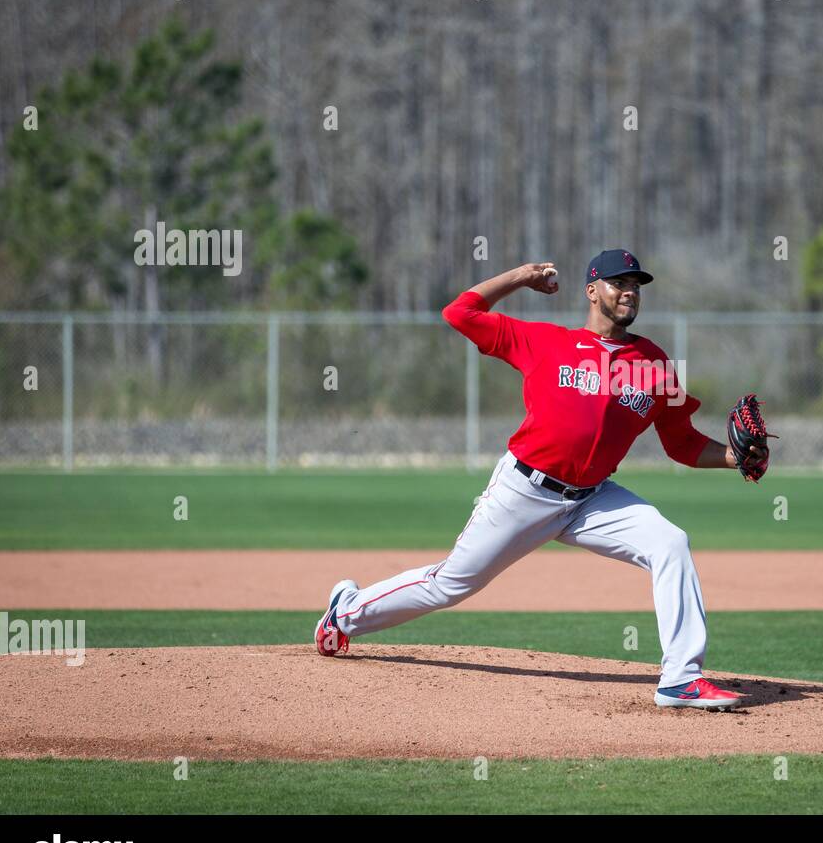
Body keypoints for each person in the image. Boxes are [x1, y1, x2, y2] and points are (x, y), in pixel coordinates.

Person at [314, 249, 770, 710]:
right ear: (592, 292)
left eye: (636, 284)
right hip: (525, 491)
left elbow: (683, 443)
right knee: (451, 583)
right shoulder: (544, 342)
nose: (630, 291)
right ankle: (346, 612)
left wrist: (735, 458)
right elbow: (459, 313)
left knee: (670, 542)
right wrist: (520, 276)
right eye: (619, 282)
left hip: (592, 499)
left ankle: (680, 680)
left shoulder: (653, 364)